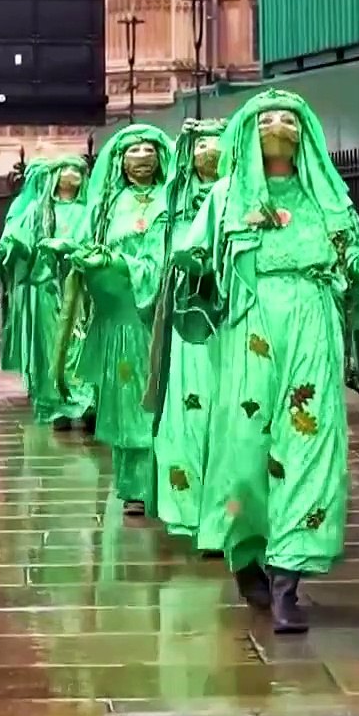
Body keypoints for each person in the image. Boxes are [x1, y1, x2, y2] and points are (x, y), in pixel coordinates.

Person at [169, 91, 359, 633]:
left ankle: (288, 576)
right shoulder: (225, 198)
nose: (279, 127)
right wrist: (190, 261)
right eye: (268, 119)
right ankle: (245, 551)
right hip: (250, 329)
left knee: (308, 446)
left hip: (312, 325)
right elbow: (193, 261)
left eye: (290, 118)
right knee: (244, 449)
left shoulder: (329, 199)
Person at [69, 122, 175, 517]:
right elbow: (90, 250)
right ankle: (134, 486)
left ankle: (171, 484)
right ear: (120, 161)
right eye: (133, 150)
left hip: (164, 314)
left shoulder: (172, 199)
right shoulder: (110, 206)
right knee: (129, 396)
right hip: (124, 316)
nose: (142, 157)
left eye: (149, 148)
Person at [151, 119, 226, 545]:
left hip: (235, 325)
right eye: (201, 148)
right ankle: (188, 507)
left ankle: (228, 515)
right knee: (189, 409)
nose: (209, 155)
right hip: (188, 327)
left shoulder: (241, 201)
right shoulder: (172, 209)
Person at [0, 156, 94, 429]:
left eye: (77, 170)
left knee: (80, 344)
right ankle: (55, 402)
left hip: (82, 286)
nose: (71, 175)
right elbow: (21, 241)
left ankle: (84, 401)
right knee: (51, 343)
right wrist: (12, 248)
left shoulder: (92, 210)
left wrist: (72, 250)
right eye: (66, 169)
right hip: (47, 287)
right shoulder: (38, 211)